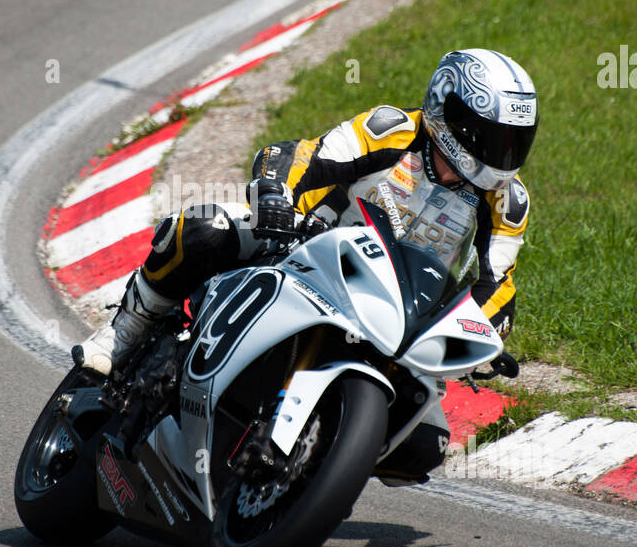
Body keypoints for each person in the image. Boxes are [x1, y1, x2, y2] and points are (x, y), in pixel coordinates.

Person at [73, 49, 539, 482]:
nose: (500, 154)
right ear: (446, 111)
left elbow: (497, 285)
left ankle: (315, 461)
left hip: (395, 312)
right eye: (490, 137)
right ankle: (127, 330)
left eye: (513, 143)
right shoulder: (393, 129)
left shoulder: (507, 202)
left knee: (425, 445)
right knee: (204, 229)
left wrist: (484, 333)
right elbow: (297, 156)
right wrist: (277, 198)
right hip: (305, 248)